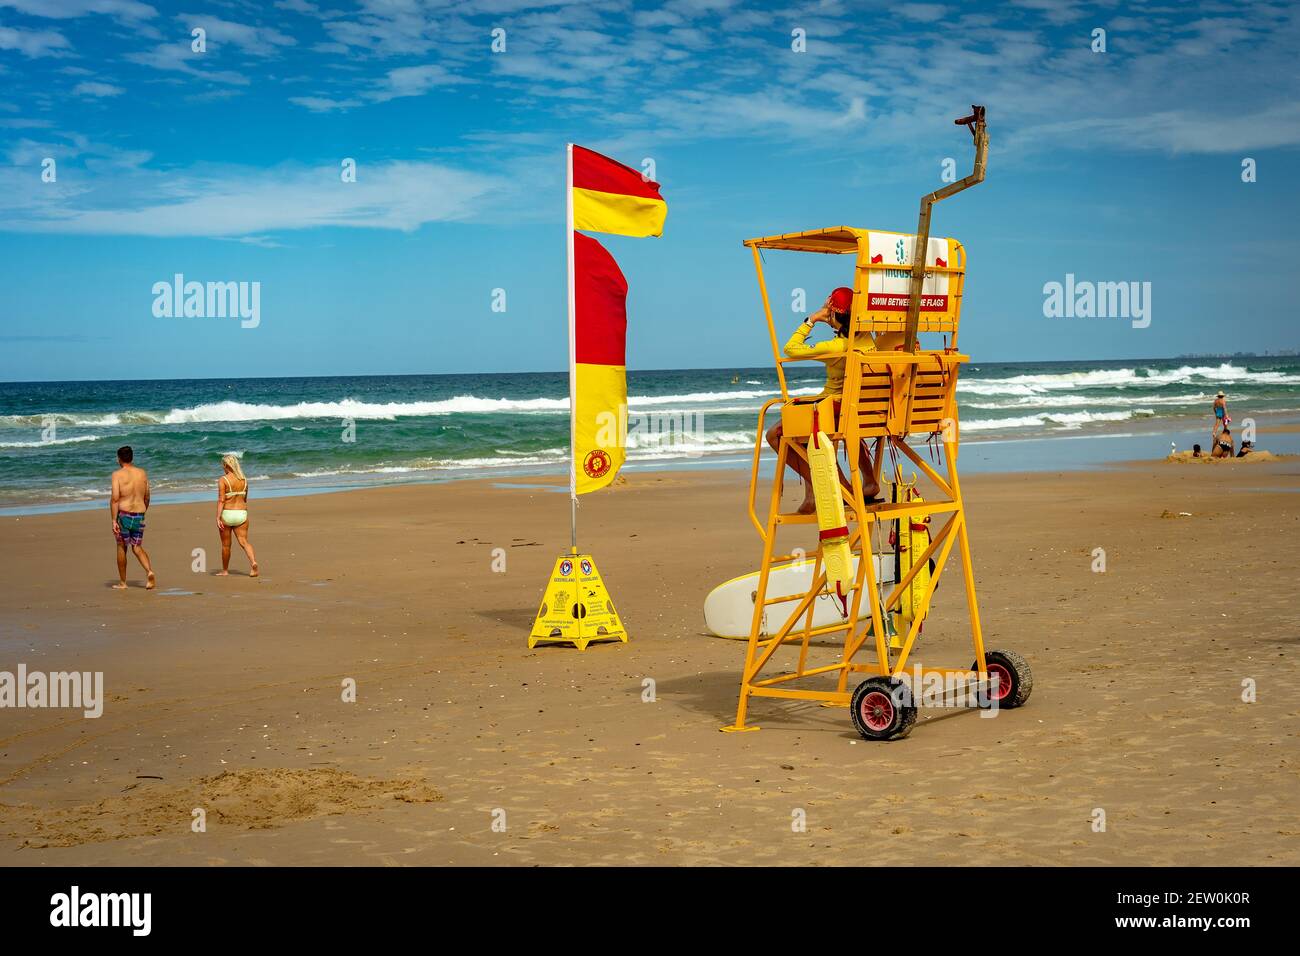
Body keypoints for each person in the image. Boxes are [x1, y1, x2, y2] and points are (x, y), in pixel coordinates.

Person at [765, 287, 879, 513]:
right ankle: (866, 481)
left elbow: (791, 348)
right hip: (860, 409)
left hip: (836, 410)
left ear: (835, 314)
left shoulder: (837, 347)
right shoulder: (868, 341)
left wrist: (813, 319)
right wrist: (837, 321)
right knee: (816, 426)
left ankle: (837, 488)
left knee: (775, 434)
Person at [110, 445, 155, 590]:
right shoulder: (142, 473)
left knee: (122, 547)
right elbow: (147, 496)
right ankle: (149, 571)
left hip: (124, 515)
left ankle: (123, 582)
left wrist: (113, 520)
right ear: (132, 457)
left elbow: (115, 499)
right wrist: (142, 512)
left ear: (119, 459)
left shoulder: (117, 475)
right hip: (140, 514)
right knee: (137, 546)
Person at [216, 454, 259, 577]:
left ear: (226, 465)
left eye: (223, 466)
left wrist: (218, 517)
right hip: (241, 514)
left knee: (226, 545)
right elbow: (245, 498)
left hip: (227, 514)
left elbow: (221, 500)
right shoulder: (244, 480)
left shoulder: (223, 480)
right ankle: (253, 563)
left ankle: (225, 571)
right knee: (244, 542)